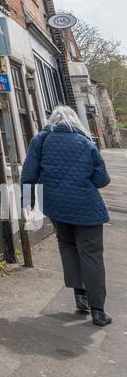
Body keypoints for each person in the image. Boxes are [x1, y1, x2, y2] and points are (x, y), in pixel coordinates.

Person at [20, 104, 112, 326]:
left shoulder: (41, 141)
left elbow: (28, 173)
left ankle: (80, 296)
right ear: (75, 121)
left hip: (56, 207)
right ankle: (98, 310)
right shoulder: (86, 143)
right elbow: (102, 179)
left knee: (68, 247)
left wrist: (27, 203)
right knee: (91, 254)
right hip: (86, 208)